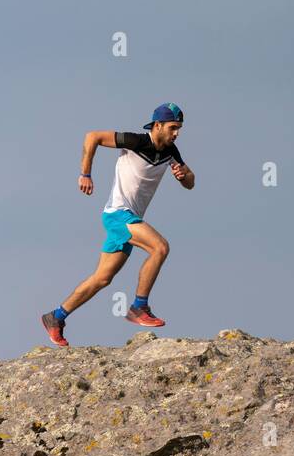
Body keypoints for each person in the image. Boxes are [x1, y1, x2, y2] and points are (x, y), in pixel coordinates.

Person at [41, 102, 193, 346]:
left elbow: (191, 182)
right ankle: (138, 307)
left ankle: (55, 317)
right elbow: (93, 137)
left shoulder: (171, 152)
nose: (177, 133)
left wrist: (184, 176)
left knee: (102, 278)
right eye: (173, 127)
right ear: (158, 125)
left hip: (129, 219)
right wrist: (85, 174)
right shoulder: (135, 142)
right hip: (118, 215)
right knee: (160, 247)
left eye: (180, 128)